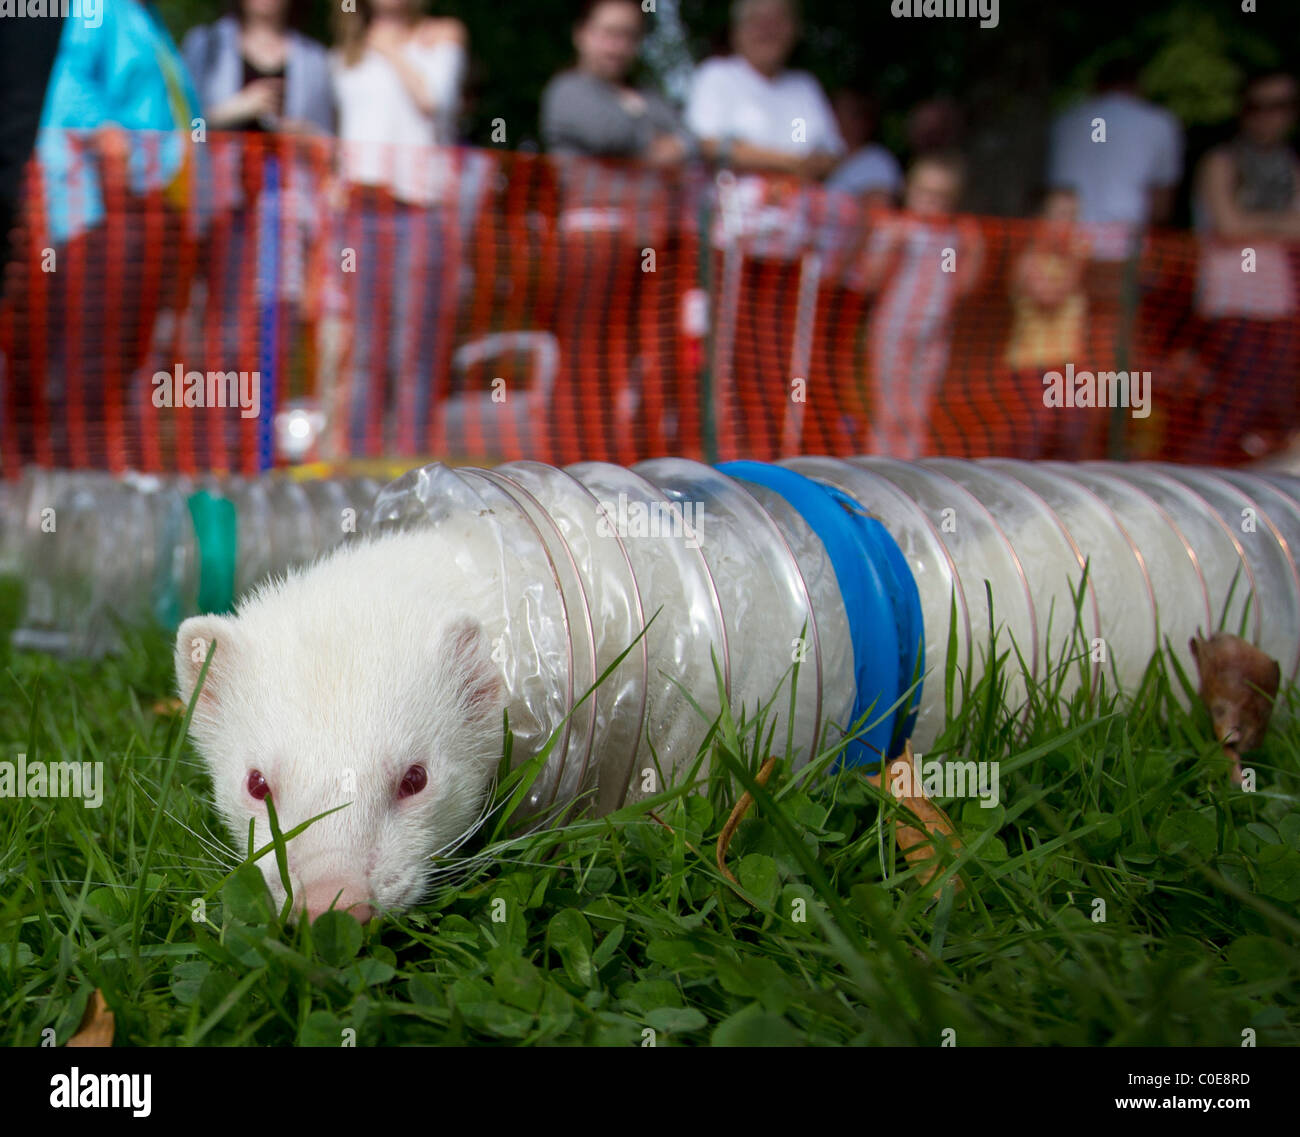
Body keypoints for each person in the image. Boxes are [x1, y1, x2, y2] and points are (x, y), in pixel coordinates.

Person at [9, 1, 202, 470]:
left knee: (118, 359)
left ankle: (88, 477)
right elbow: (62, 76)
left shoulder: (145, 15)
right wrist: (106, 134)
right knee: (84, 360)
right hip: (93, 214)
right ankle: (67, 483)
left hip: (144, 212)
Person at [328, 1, 467, 456]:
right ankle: (359, 469)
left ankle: (412, 468)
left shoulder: (441, 36)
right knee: (365, 350)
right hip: (362, 212)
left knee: (414, 351)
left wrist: (391, 50)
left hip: (420, 210)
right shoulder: (346, 52)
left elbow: (435, 101)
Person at [1181, 69, 1300, 464]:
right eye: (1259, 107)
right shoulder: (1221, 162)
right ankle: (1198, 481)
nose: (1269, 117)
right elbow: (1228, 226)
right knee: (1235, 402)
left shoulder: (1289, 166)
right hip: (1230, 300)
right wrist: (1277, 225)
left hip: (1277, 302)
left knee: (1274, 405)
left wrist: (1254, 224)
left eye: (1281, 106)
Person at [861, 152, 984, 458]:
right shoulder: (896, 227)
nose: (931, 203)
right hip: (894, 328)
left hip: (934, 332)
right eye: (925, 194)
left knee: (917, 410)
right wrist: (890, 245)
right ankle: (880, 468)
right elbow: (869, 277)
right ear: (909, 191)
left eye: (940, 197)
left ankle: (909, 472)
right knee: (889, 408)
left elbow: (963, 286)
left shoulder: (956, 235)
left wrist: (972, 252)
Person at [685, 0, 843, 180]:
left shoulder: (805, 87)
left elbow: (832, 153)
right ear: (737, 31)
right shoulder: (716, 75)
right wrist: (790, 163)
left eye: (777, 21)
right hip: (730, 205)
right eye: (757, 20)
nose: (768, 30)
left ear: (794, 29)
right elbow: (706, 145)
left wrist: (811, 163)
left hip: (800, 205)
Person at [1046, 56, 1182, 261]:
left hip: (1062, 236)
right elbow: (1161, 205)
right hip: (1122, 244)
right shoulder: (1159, 123)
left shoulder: (1065, 119)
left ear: (1096, 84)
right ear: (1138, 85)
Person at [541, 0, 692, 164]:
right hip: (585, 190)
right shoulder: (566, 90)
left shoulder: (649, 95)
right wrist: (659, 142)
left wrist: (680, 146)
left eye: (629, 35)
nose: (618, 46)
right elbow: (608, 134)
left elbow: (691, 138)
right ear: (580, 34)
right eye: (609, 33)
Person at [1003, 187, 1091, 457]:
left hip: (1069, 363)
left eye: (1073, 217)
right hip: (1033, 363)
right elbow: (1049, 298)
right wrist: (1078, 262)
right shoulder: (1029, 261)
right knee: (1035, 434)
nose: (1068, 225)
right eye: (1060, 215)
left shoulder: (1072, 262)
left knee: (1072, 434)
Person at [182, 0, 335, 135]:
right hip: (219, 166)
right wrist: (236, 110)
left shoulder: (315, 58)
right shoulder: (206, 45)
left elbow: (331, 143)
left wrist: (305, 133)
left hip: (292, 165)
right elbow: (184, 127)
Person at [825, 87, 903, 208]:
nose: (832, 116)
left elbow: (877, 213)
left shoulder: (879, 162)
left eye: (842, 111)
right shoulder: (822, 152)